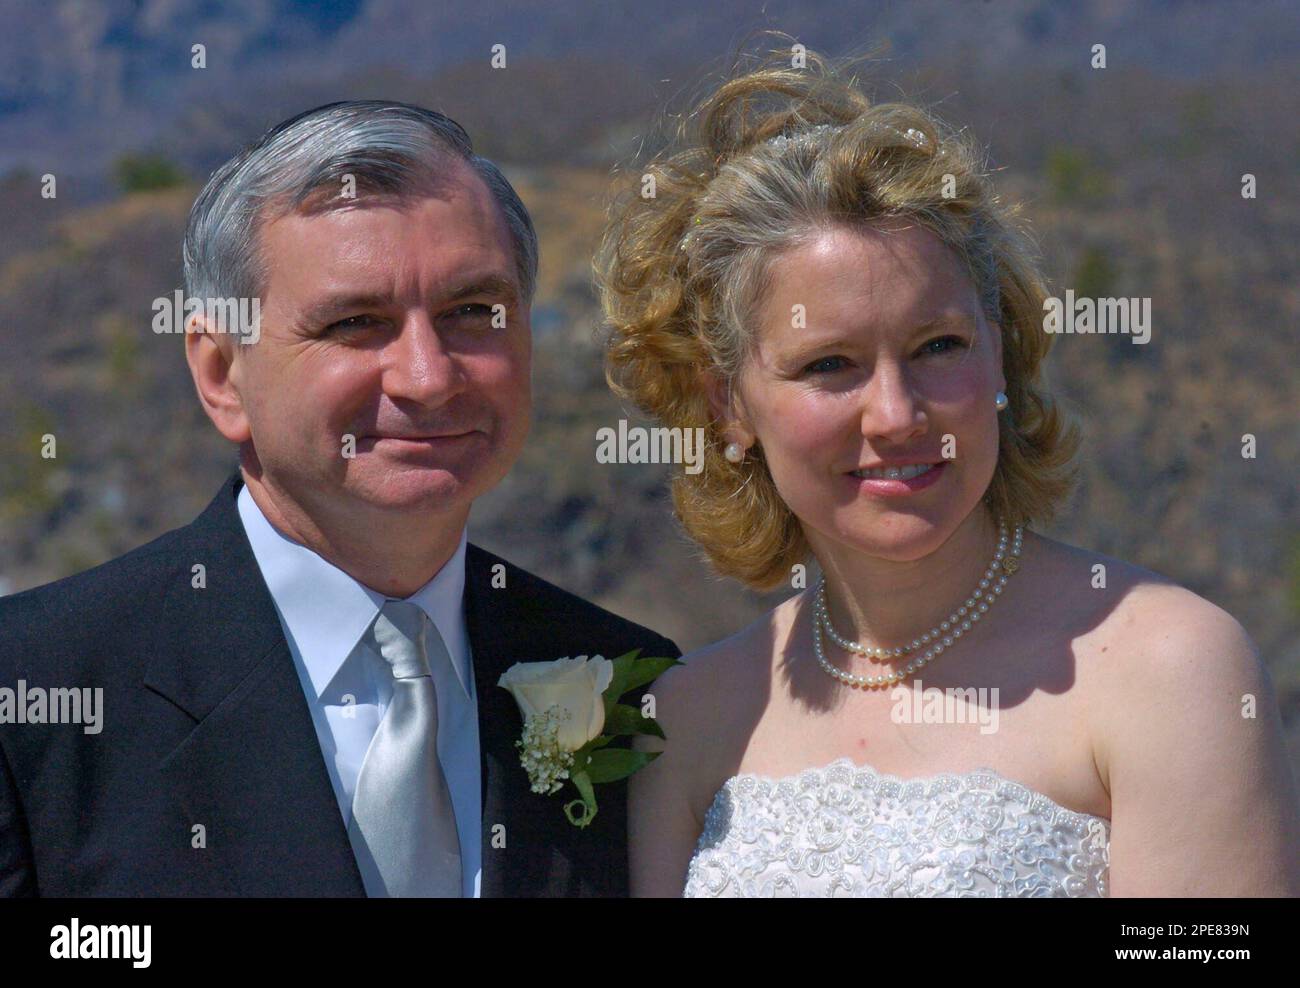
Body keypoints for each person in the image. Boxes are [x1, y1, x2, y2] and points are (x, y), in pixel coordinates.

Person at [596, 51, 1300, 897]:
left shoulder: (1171, 671)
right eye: (829, 364)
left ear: (999, 351)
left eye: (939, 347)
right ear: (729, 406)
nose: (896, 414)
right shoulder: (689, 720)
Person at [0, 100, 680, 897]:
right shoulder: (35, 694)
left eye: (472, 312)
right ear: (223, 375)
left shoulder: (630, 684)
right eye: (357, 322)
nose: (428, 377)